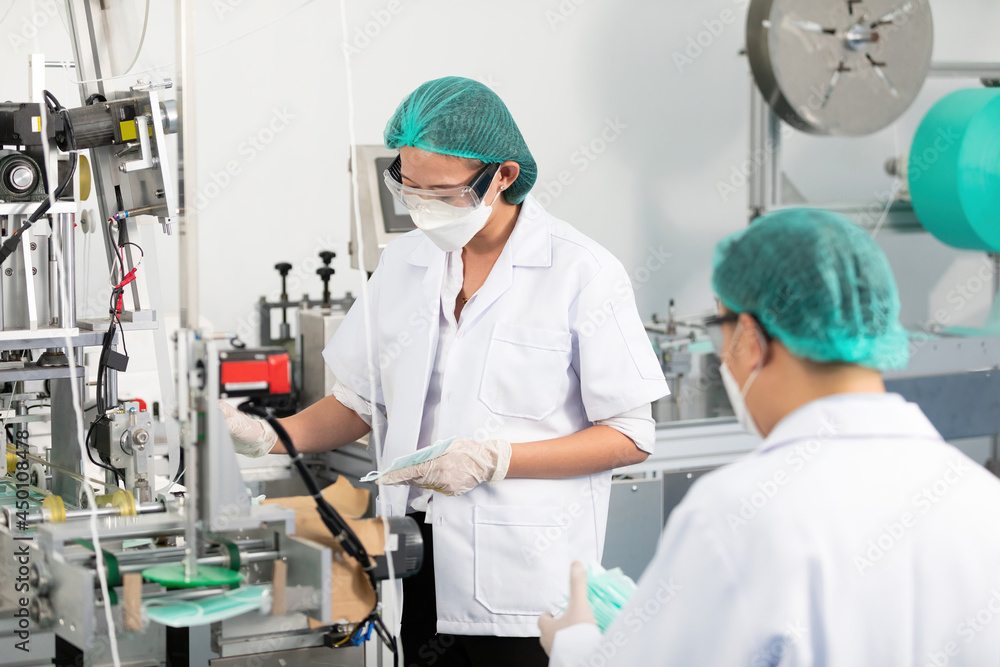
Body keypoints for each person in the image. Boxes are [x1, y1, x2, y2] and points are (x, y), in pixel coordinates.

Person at [222, 76, 669, 666]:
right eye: (409, 188)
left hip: (529, 586)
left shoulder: (581, 272)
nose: (422, 207)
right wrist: (270, 436)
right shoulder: (405, 263)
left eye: (442, 192)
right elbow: (360, 403)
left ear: (503, 176)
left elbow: (631, 436)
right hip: (418, 564)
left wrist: (495, 459)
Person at [539, 208, 1000, 666]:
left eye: (721, 333)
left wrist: (577, 647)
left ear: (750, 338)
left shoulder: (736, 513)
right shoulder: (981, 499)